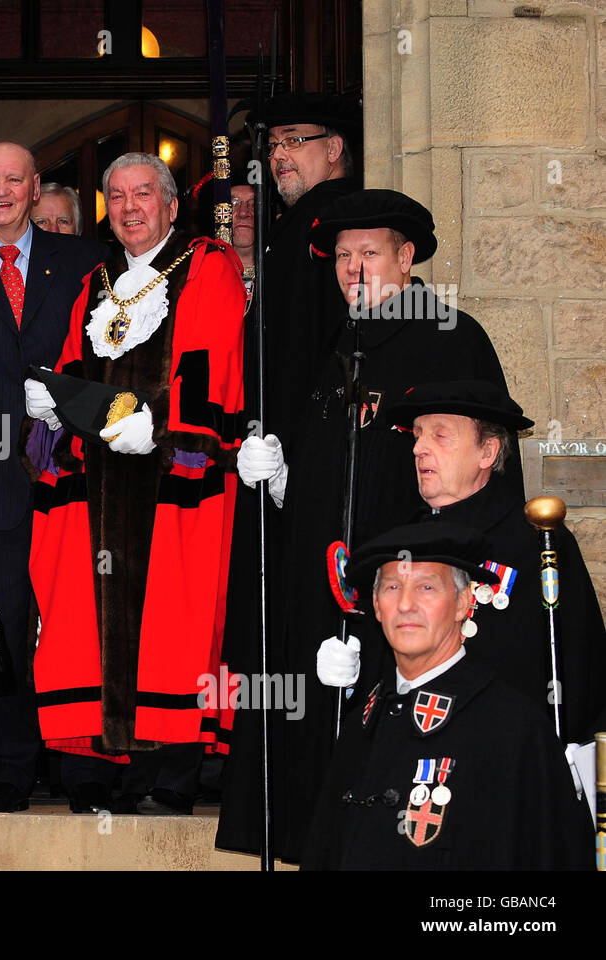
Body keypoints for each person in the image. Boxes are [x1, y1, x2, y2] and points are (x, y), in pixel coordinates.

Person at [219, 188, 514, 861]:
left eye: (370, 253)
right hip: (329, 604)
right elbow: (331, 484)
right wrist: (285, 481)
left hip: (411, 601)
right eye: (343, 257)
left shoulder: (449, 336)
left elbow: (471, 484)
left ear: (406, 258)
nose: (354, 269)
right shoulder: (340, 349)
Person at [24, 151, 246, 814]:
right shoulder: (96, 281)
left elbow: (213, 362)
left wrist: (169, 431)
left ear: (172, 207)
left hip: (175, 476)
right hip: (98, 480)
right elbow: (72, 359)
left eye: (143, 194)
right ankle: (99, 769)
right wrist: (53, 402)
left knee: (174, 628)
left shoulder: (208, 265)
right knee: (85, 625)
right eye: (116, 196)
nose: (128, 208)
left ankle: (170, 775)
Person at [0, 142, 108, 813]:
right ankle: (5, 767)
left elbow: (111, 359)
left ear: (35, 188)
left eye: (15, 180)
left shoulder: (86, 260)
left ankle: (82, 770)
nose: (2, 191)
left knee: (73, 623)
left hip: (72, 470)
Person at [217, 93, 362, 853]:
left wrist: (298, 456)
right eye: (271, 145)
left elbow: (334, 354)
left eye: (294, 142)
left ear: (335, 148)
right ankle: (276, 812)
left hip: (309, 469)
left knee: (305, 632)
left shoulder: (336, 222)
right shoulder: (289, 226)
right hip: (274, 458)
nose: (278, 157)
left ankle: (307, 815)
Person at [317, 380, 606, 742]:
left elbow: (581, 667)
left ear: (487, 452)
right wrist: (350, 679)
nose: (419, 448)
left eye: (440, 435)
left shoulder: (537, 541)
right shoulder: (398, 543)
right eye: (418, 435)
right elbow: (382, 664)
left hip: (505, 759)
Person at [302, 521, 593, 870]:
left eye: (426, 587)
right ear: (377, 606)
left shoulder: (516, 732)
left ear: (462, 604)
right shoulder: (358, 728)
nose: (406, 604)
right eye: (392, 587)